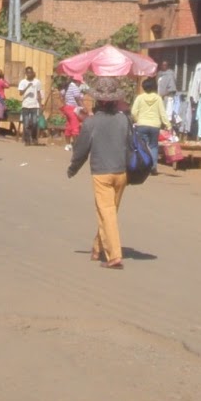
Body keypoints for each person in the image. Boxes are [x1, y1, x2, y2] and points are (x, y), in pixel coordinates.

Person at [67, 77, 133, 269]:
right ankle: (98, 248)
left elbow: (81, 150)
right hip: (122, 172)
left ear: (98, 101)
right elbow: (129, 145)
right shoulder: (124, 119)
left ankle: (114, 256)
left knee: (106, 212)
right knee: (109, 212)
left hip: (101, 173)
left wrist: (73, 169)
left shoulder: (91, 123)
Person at [130, 75, 169, 173]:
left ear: (143, 87)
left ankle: (142, 165)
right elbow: (162, 113)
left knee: (142, 145)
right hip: (155, 125)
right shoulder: (158, 98)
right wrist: (168, 125)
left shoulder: (139, 98)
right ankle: (153, 167)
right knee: (153, 146)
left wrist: (137, 120)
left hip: (142, 124)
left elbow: (134, 112)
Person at [18, 66, 45, 145]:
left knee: (34, 123)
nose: (30, 74)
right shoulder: (23, 82)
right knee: (26, 124)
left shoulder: (37, 82)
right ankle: (27, 140)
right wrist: (27, 86)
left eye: (31, 72)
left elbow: (39, 93)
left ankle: (34, 138)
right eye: (28, 72)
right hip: (25, 105)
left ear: (33, 73)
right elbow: (20, 93)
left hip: (34, 105)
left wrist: (40, 105)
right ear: (26, 74)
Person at [61, 75, 85, 148]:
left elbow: (61, 94)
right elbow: (77, 99)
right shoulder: (74, 87)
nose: (80, 84)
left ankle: (68, 144)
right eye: (80, 82)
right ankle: (76, 145)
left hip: (67, 107)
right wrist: (83, 107)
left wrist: (65, 103)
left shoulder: (68, 86)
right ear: (77, 81)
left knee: (69, 126)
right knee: (75, 126)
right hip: (72, 108)